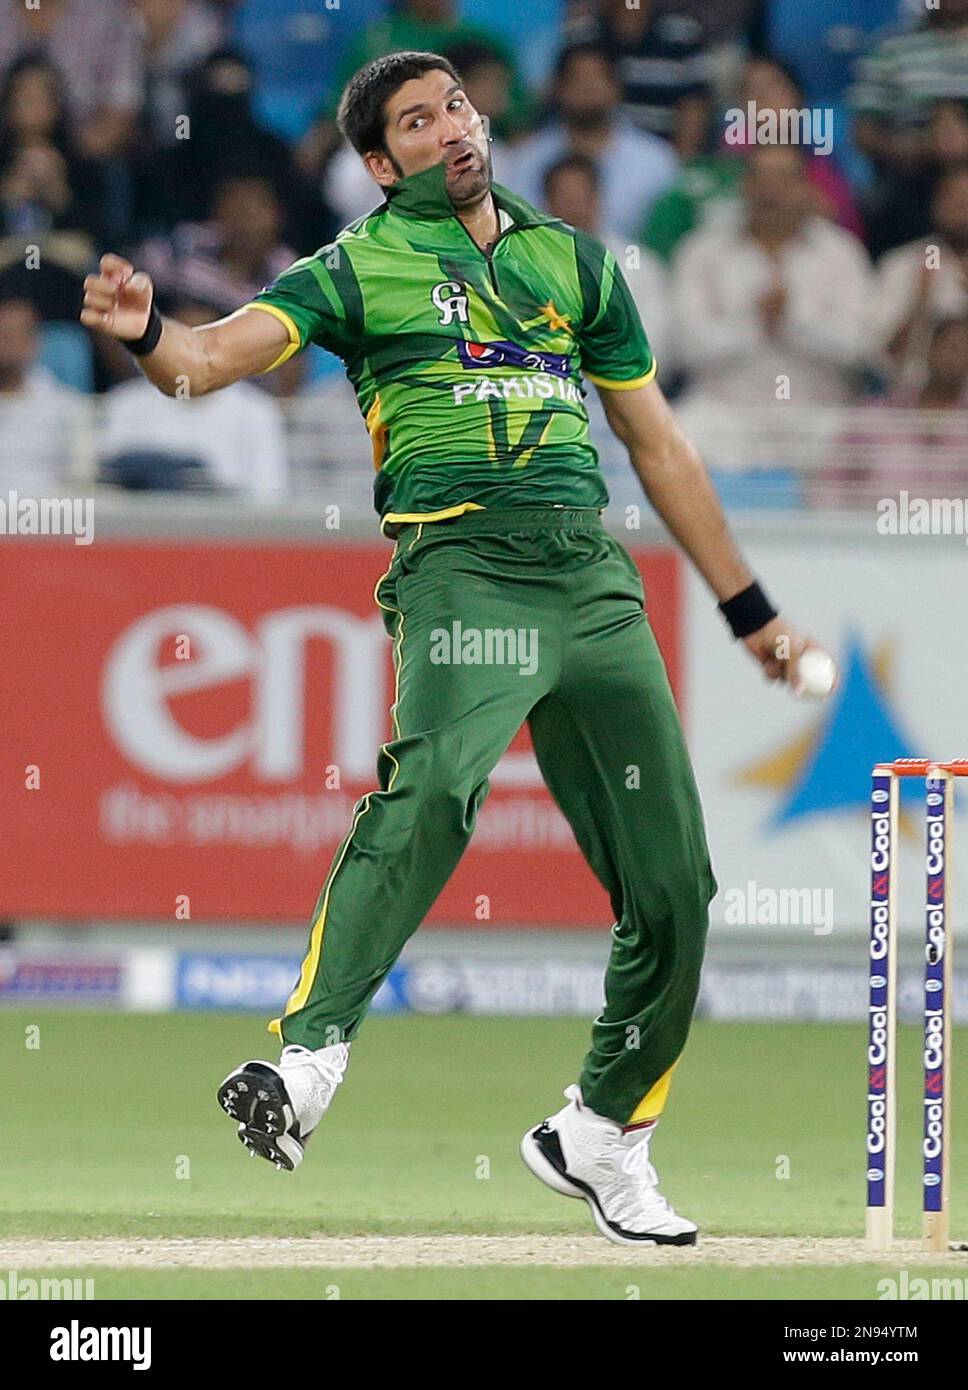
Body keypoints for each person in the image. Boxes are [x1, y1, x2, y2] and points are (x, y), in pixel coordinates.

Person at [81, 50, 819, 1248]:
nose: (450, 130)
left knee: (674, 887)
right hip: (461, 570)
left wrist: (750, 613)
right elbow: (206, 363)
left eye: (458, 108)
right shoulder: (355, 268)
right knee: (430, 790)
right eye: (416, 123)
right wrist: (149, 329)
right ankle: (309, 1060)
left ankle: (602, 1134)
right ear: (380, 163)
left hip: (588, 579)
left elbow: (659, 447)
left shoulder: (573, 262)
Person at [508, 43, 679, 245]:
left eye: (597, 78)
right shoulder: (527, 159)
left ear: (617, 87)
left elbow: (669, 237)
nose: (588, 88)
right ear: (557, 89)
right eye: (577, 79)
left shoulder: (656, 161)